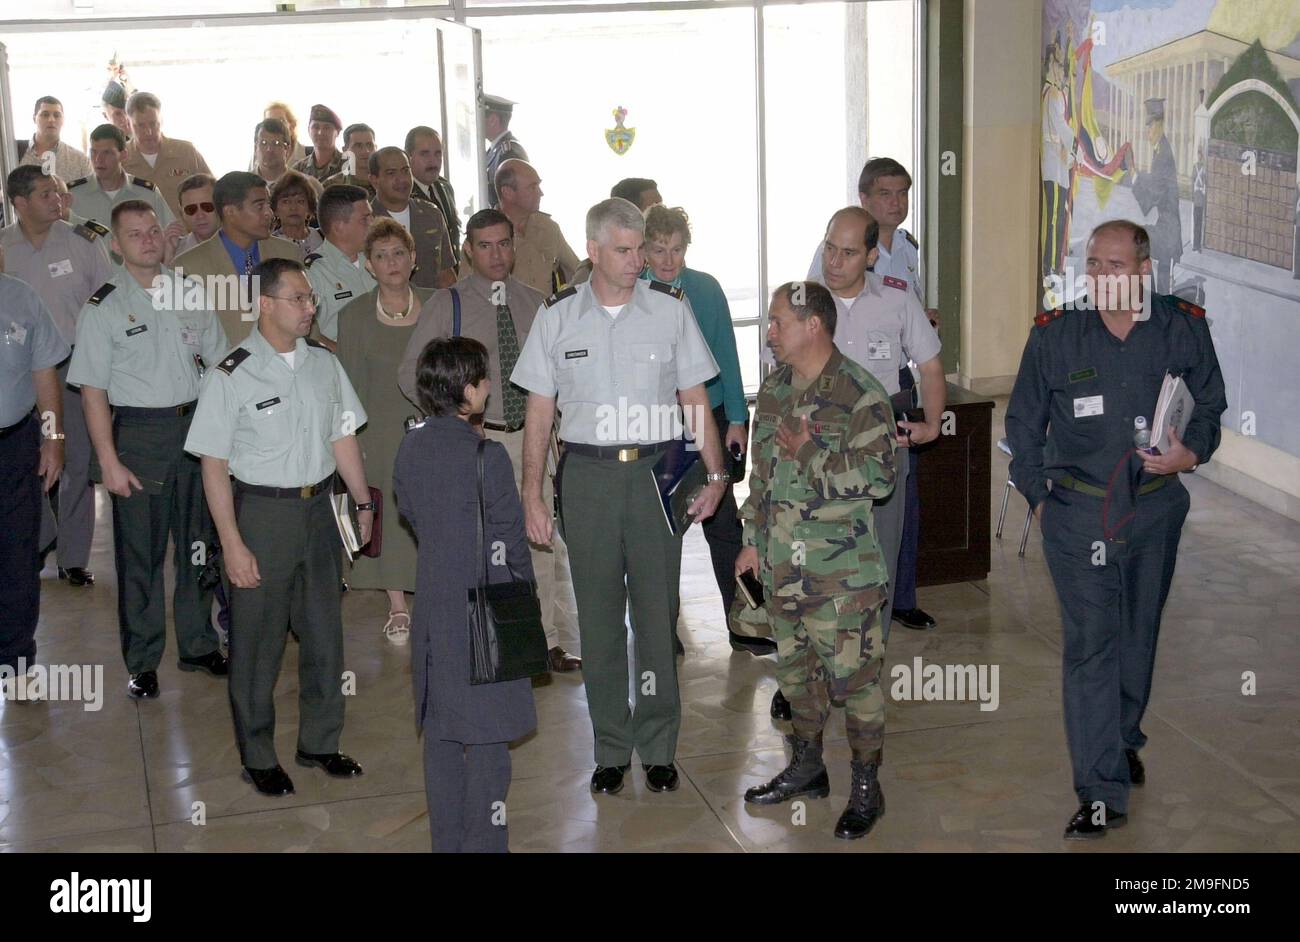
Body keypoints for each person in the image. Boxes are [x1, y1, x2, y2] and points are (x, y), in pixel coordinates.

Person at [1006, 220, 1226, 839]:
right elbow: (1022, 423)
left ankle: (1123, 735)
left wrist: (1192, 453)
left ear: (1144, 269)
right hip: (1077, 512)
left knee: (1138, 634)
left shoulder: (1181, 325)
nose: (1100, 277)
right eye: (1093, 265)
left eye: (1114, 266)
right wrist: (1038, 500)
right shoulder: (1057, 334)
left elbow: (1210, 402)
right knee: (1091, 646)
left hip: (1154, 508)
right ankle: (1100, 787)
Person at [510, 197, 727, 796]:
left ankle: (658, 745)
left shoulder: (669, 311)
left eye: (642, 249)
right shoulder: (557, 317)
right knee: (599, 619)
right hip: (587, 476)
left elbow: (694, 399)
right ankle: (611, 746)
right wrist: (532, 493)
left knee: (657, 617)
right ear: (594, 252)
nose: (640, 262)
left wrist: (716, 475)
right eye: (627, 251)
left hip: (656, 476)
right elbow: (539, 410)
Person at [185, 257, 373, 797]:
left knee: (323, 633)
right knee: (258, 641)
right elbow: (213, 465)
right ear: (265, 304)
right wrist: (232, 544)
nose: (310, 308)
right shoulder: (232, 373)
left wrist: (361, 502)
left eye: (311, 298)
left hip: (319, 512)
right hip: (262, 514)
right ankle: (258, 753)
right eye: (299, 298)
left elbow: (343, 437)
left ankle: (320, 741)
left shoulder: (323, 365)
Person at [738, 281, 896, 840]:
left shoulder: (859, 393)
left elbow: (879, 480)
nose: (769, 334)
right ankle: (807, 768)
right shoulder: (776, 388)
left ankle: (866, 786)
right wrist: (753, 538)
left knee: (856, 684)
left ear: (813, 325)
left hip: (841, 577)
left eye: (778, 322)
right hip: (782, 566)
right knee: (796, 678)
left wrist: (810, 451)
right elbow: (760, 476)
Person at [399, 208, 582, 673]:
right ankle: (487, 638)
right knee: (487, 545)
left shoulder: (538, 302)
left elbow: (562, 369)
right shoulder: (448, 305)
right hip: (481, 443)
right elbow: (410, 374)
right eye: (485, 245)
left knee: (541, 538)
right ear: (468, 249)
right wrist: (454, 423)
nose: (496, 254)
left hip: (535, 438)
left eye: (504, 243)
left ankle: (545, 640)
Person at [67, 200, 229, 700]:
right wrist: (109, 461)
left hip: (196, 429)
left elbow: (221, 363)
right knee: (141, 555)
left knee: (199, 545)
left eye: (153, 230)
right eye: (134, 234)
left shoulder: (191, 293)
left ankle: (198, 643)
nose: (147, 239)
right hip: (139, 435)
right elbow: (92, 391)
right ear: (116, 245)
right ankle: (142, 658)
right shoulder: (104, 307)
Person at [394, 336, 537, 853]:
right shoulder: (489, 456)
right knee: (490, 742)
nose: (490, 386)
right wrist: (525, 598)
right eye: (485, 379)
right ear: (468, 390)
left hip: (434, 611)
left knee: (442, 737)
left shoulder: (409, 445)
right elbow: (510, 542)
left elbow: (408, 510)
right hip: (486, 616)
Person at [808, 159, 938, 635]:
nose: (834, 261)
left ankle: (870, 652)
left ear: (868, 256)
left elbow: (929, 361)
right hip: (819, 434)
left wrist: (931, 421)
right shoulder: (806, 299)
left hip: (883, 424)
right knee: (814, 553)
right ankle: (807, 665)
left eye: (846, 252)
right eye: (829, 250)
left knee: (886, 538)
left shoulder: (900, 275)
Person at [640, 205, 767, 654]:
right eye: (659, 250)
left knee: (724, 525)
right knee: (662, 529)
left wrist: (737, 418)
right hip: (658, 422)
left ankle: (742, 623)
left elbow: (727, 357)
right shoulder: (633, 292)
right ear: (644, 250)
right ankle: (661, 630)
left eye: (677, 250)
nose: (668, 259)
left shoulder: (706, 290)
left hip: (710, 418)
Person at [1, 165, 114, 588]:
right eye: (46, 193)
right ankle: (41, 537)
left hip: (70, 369)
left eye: (58, 192)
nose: (57, 200)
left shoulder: (82, 242)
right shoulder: (3, 247)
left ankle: (72, 557)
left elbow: (107, 303)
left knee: (75, 461)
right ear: (20, 203)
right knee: (26, 461)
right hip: (15, 375)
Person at [336, 219, 431, 643]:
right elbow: (348, 385)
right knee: (389, 517)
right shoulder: (353, 315)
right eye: (380, 256)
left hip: (434, 431)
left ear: (413, 259)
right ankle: (397, 605)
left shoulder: (440, 304)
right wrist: (352, 442)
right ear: (368, 265)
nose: (391, 262)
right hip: (378, 432)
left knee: (434, 515)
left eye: (398, 253)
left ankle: (434, 593)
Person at [0, 272, 68, 702]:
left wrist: (54, 438)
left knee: (18, 557)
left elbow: (45, 376)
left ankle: (16, 666)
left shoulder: (22, 296)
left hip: (14, 447)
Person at [174, 171, 303, 346]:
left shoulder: (288, 253)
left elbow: (307, 318)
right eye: (259, 206)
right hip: (226, 368)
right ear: (230, 212)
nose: (269, 213)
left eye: (268, 205)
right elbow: (187, 339)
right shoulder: (188, 268)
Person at [369, 146, 457, 290]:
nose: (401, 180)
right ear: (374, 180)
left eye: (405, 171)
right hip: (385, 309)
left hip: (432, 307)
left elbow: (446, 274)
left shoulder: (431, 214)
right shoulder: (366, 221)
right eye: (391, 173)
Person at [121, 92, 212, 220]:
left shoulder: (186, 152)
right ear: (128, 123)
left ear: (161, 120)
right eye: (140, 126)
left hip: (187, 236)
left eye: (153, 123)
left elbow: (212, 193)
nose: (149, 132)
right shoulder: (120, 161)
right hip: (143, 238)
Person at [494, 160, 579, 296]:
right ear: (508, 192)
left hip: (545, 315)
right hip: (503, 316)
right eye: (532, 187)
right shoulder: (484, 235)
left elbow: (578, 272)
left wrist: (565, 305)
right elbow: (467, 292)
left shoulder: (548, 228)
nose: (541, 193)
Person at [69, 124, 174, 234]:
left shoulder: (148, 194)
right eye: (93, 152)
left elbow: (169, 235)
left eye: (107, 153)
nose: (98, 160)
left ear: (123, 155)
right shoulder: (74, 195)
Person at [305, 184, 375, 346]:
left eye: (372, 216)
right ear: (338, 227)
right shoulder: (314, 273)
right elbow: (308, 333)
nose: (373, 223)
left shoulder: (378, 260)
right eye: (365, 219)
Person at [1131, 99, 1182, 295]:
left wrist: (1134, 177)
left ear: (1159, 124)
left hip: (1168, 231)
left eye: (1150, 125)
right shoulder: (1161, 150)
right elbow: (1154, 183)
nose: (1147, 131)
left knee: (1138, 239)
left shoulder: (1163, 155)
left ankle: (1152, 299)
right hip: (1167, 227)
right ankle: (1155, 299)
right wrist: (1138, 176)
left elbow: (1148, 201)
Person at [405, 125, 461, 260]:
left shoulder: (445, 187)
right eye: (424, 153)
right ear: (408, 156)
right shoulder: (404, 195)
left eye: (438, 153)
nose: (433, 161)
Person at [17, 96, 93, 183]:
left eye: (57, 115)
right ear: (34, 118)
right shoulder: (14, 153)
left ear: (63, 120)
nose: (51, 120)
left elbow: (91, 194)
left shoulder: (80, 160)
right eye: (45, 115)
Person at [483, 95, 528, 209]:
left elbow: (513, 202)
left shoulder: (508, 152)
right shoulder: (494, 150)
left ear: (493, 120)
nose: (475, 123)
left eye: (479, 118)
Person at [269, 170, 324, 256]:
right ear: (275, 210)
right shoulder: (269, 245)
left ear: (309, 207)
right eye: (286, 202)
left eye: (300, 201)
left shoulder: (321, 238)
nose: (293, 207)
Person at [292, 104, 345, 183]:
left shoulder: (347, 166)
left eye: (327, 128)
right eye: (316, 127)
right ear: (308, 131)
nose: (320, 132)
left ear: (337, 132)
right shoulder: (298, 169)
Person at [322, 124, 377, 198]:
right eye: (358, 146)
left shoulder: (386, 181)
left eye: (369, 145)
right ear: (345, 150)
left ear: (376, 148)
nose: (366, 151)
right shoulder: (333, 186)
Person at [250, 101, 307, 170]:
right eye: (270, 122)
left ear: (292, 126)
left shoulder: (307, 155)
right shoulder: (258, 155)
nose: (275, 126)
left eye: (281, 121)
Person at [172, 173, 219, 256]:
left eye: (207, 207)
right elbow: (177, 269)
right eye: (191, 209)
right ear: (182, 213)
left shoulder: (243, 245)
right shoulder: (174, 251)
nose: (200, 216)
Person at [251, 117, 293, 188]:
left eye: (276, 143)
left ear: (287, 149)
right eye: (263, 143)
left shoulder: (304, 184)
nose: (269, 149)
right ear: (255, 148)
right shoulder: (243, 186)